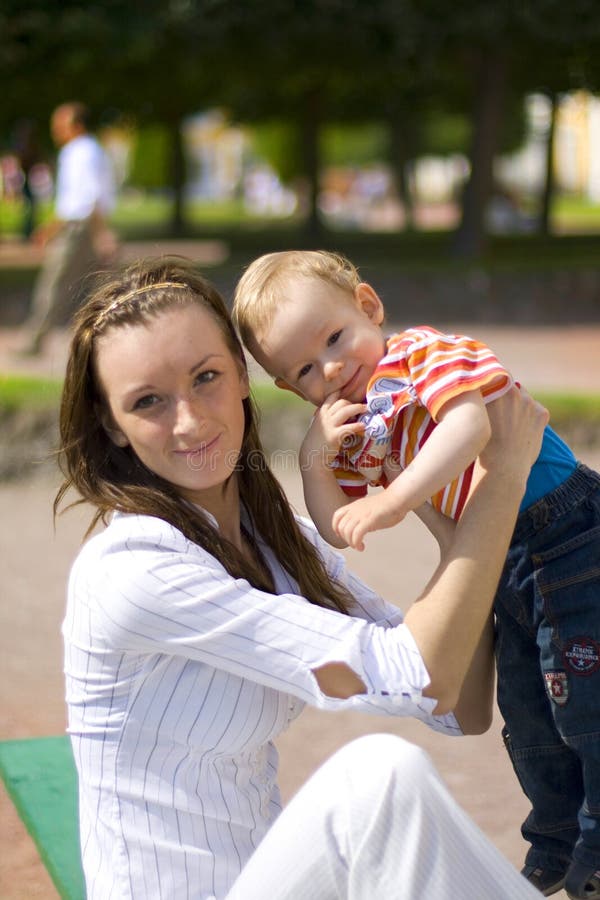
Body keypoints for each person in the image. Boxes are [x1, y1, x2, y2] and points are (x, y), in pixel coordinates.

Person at [57, 255, 547, 900]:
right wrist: (501, 480)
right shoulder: (134, 570)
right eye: (147, 401)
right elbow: (419, 674)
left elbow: (456, 704)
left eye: (205, 377)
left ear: (242, 378)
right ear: (111, 427)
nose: (190, 420)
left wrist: (449, 516)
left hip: (261, 881)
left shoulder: (277, 543)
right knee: (377, 780)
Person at [233, 249, 600, 899]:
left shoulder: (422, 354)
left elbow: (470, 423)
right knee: (527, 711)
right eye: (306, 371)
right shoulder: (366, 419)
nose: (333, 368)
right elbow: (342, 522)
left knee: (585, 701)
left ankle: (594, 846)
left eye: (337, 337)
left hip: (569, 530)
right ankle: (556, 838)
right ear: (293, 390)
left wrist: (396, 498)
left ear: (369, 307)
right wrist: (318, 459)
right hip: (505, 556)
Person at [17, 101, 117, 355]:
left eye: (60, 125)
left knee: (55, 283)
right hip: (83, 226)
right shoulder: (86, 150)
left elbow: (86, 199)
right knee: (98, 286)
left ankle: (34, 341)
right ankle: (106, 342)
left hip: (79, 228)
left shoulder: (81, 152)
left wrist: (55, 228)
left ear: (77, 125)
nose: (55, 131)